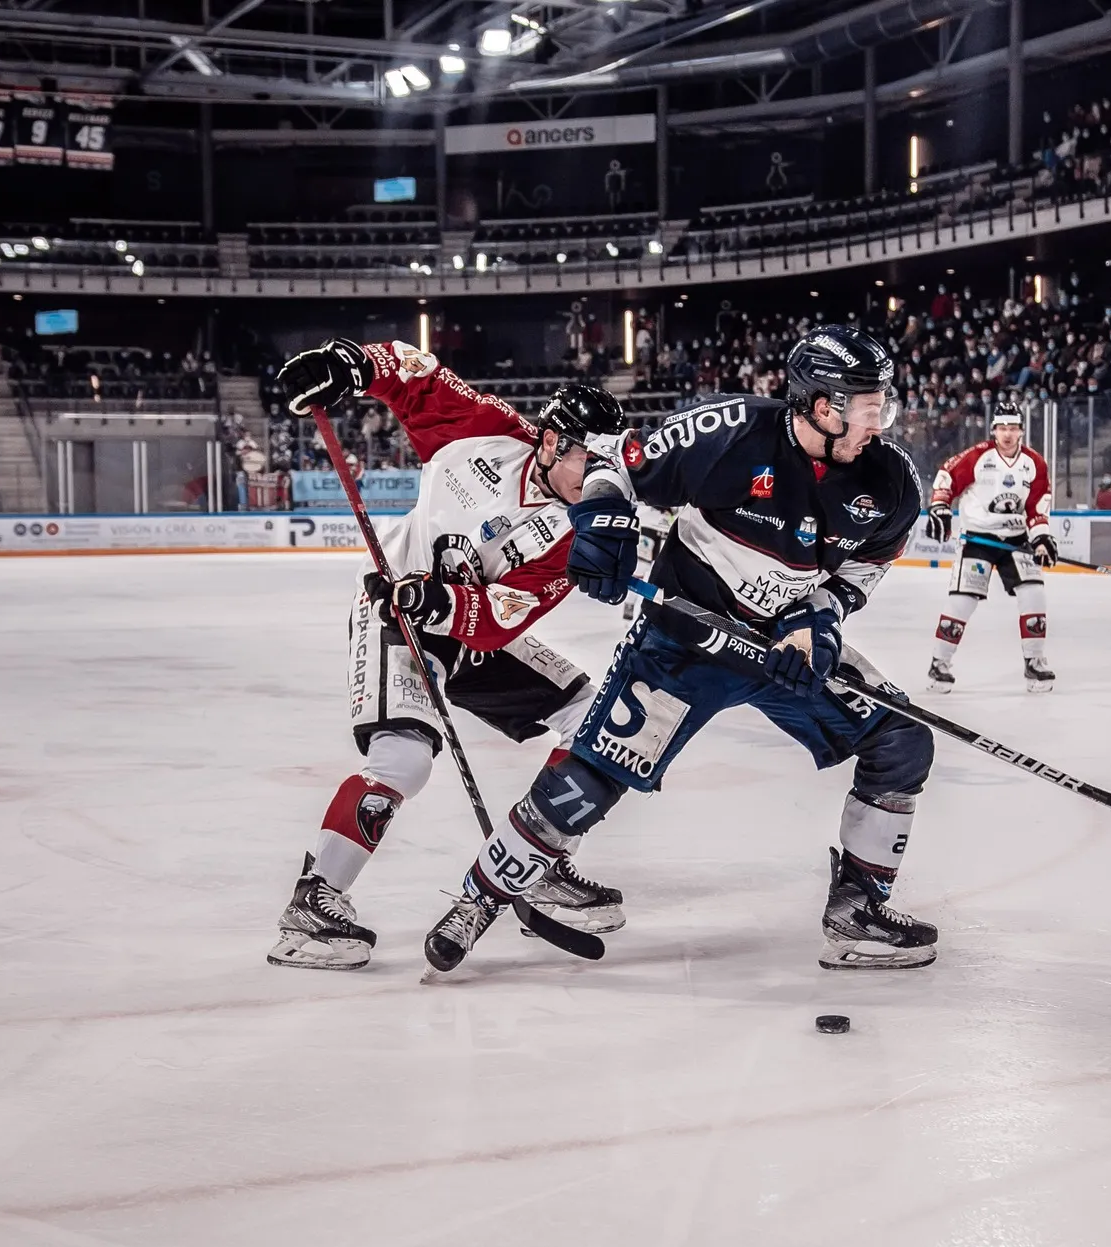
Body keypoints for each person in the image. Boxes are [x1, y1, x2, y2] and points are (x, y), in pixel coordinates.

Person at [426, 325, 938, 973]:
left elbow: (861, 571)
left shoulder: (891, 483)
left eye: (882, 407)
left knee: (901, 741)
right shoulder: (730, 431)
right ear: (821, 406)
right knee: (591, 779)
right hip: (681, 645)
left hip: (781, 648)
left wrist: (819, 620)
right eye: (867, 408)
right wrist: (602, 522)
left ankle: (858, 910)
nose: (878, 423)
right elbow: (613, 458)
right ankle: (477, 900)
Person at [265, 338, 630, 971]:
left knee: (595, 718)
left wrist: (445, 602)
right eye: (588, 462)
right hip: (394, 609)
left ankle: (536, 860)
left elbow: (502, 617)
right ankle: (313, 901)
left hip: (464, 627)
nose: (600, 480)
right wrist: (350, 365)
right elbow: (415, 375)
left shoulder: (578, 533)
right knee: (403, 759)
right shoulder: (485, 433)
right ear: (550, 442)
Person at [922, 400, 1059, 694]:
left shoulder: (1034, 463)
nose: (1007, 434)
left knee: (1034, 594)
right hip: (978, 540)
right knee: (963, 600)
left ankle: (1034, 661)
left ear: (1021, 430)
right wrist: (940, 506)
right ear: (993, 430)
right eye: (1002, 428)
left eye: (1013, 428)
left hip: (1016, 540)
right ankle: (939, 663)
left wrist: (1041, 537)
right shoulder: (978, 456)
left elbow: (1037, 506)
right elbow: (946, 477)